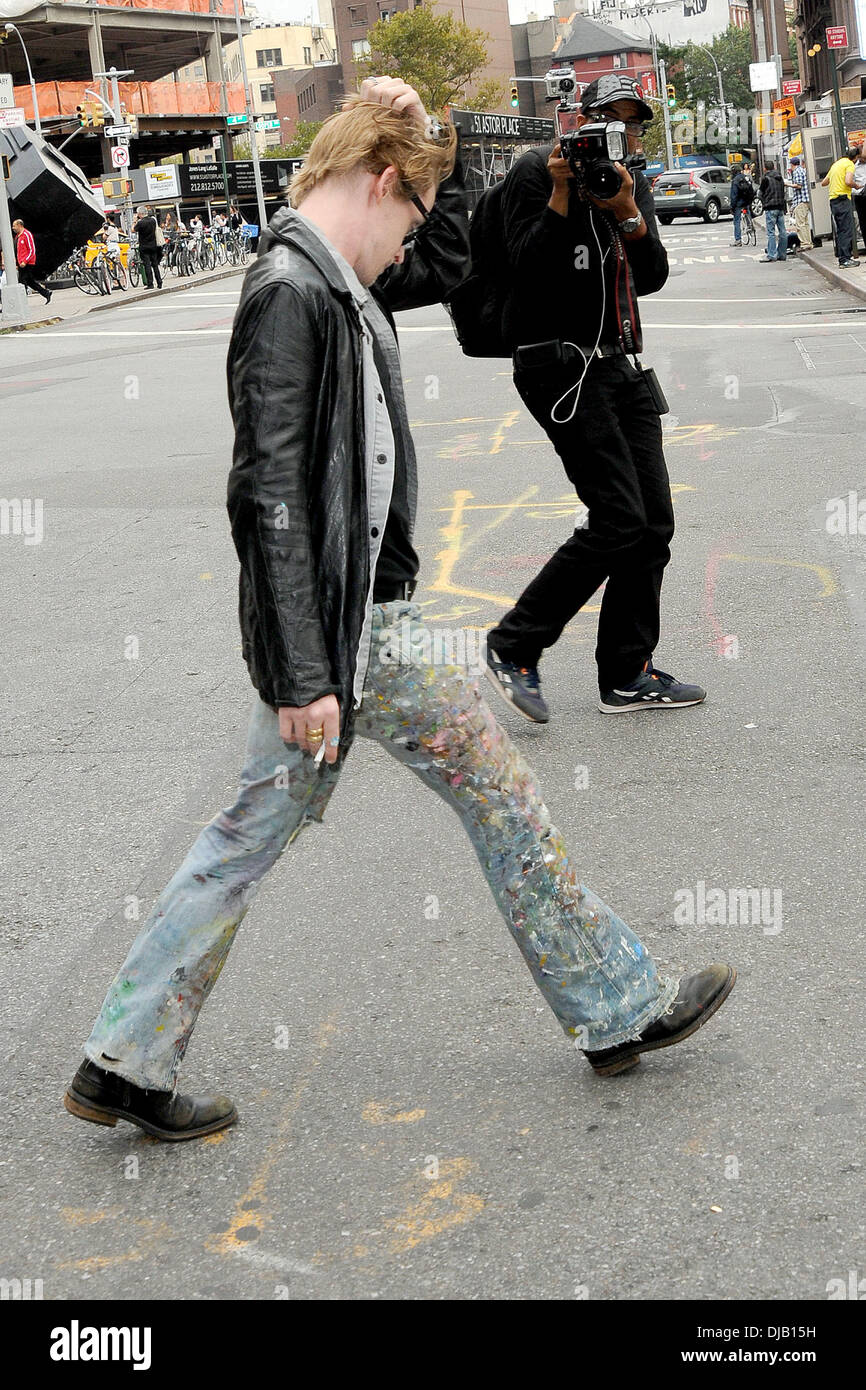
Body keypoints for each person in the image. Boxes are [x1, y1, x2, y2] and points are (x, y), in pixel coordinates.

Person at [63, 79, 735, 1142]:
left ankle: (122, 1060)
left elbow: (454, 260)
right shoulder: (293, 291)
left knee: (244, 837)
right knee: (503, 801)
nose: (407, 246)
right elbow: (269, 493)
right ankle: (614, 1007)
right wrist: (300, 674)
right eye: (408, 213)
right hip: (357, 629)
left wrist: (431, 132)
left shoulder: (333, 276)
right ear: (377, 185)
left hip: (345, 627)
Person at [483, 73, 705, 722]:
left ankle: (628, 673)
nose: (624, 133)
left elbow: (653, 274)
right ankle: (513, 646)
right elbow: (526, 267)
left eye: (634, 123)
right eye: (612, 119)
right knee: (617, 518)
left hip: (620, 367)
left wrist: (627, 212)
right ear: (579, 118)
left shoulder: (626, 180)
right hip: (558, 367)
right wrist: (561, 193)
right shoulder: (534, 172)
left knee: (653, 521)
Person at [821, 147, 859, 268]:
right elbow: (848, 181)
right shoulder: (850, 165)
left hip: (833, 200)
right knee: (846, 230)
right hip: (843, 199)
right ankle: (845, 259)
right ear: (856, 158)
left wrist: (836, 179)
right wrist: (856, 185)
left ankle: (842, 256)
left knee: (840, 230)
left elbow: (824, 182)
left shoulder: (836, 164)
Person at [11, 218, 51, 303]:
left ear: (19, 225)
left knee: (22, 280)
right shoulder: (17, 237)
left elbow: (32, 250)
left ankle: (22, 300)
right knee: (29, 281)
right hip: (20, 263)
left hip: (27, 263)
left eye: (14, 226)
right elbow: (17, 251)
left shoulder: (26, 234)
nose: (13, 228)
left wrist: (25, 261)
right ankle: (46, 293)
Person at [758, 160, 787, 263]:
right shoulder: (780, 177)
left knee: (771, 232)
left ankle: (771, 255)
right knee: (782, 231)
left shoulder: (766, 179)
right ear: (774, 167)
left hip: (770, 207)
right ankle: (782, 254)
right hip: (780, 207)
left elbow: (759, 194)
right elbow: (783, 191)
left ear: (765, 168)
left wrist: (764, 198)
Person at [785, 157, 812, 250]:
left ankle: (805, 243)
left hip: (801, 200)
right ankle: (808, 242)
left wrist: (787, 184)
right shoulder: (802, 170)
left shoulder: (797, 171)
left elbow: (798, 185)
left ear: (792, 164)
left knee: (800, 224)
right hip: (805, 200)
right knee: (805, 223)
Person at [133, 204, 162, 289]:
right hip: (153, 245)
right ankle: (159, 282)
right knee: (155, 264)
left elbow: (133, 230)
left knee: (147, 265)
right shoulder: (152, 220)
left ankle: (150, 283)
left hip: (144, 246)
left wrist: (134, 221)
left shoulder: (140, 223)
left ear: (140, 214)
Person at [729, 162, 755, 247]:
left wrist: (732, 207)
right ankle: (751, 227)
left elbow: (734, 195)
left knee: (737, 220)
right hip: (747, 201)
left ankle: (738, 240)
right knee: (747, 213)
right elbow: (752, 189)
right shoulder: (746, 178)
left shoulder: (735, 180)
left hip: (739, 203)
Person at [850, 142, 866, 254]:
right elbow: (851, 183)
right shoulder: (853, 168)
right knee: (863, 223)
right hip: (861, 197)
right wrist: (858, 190)